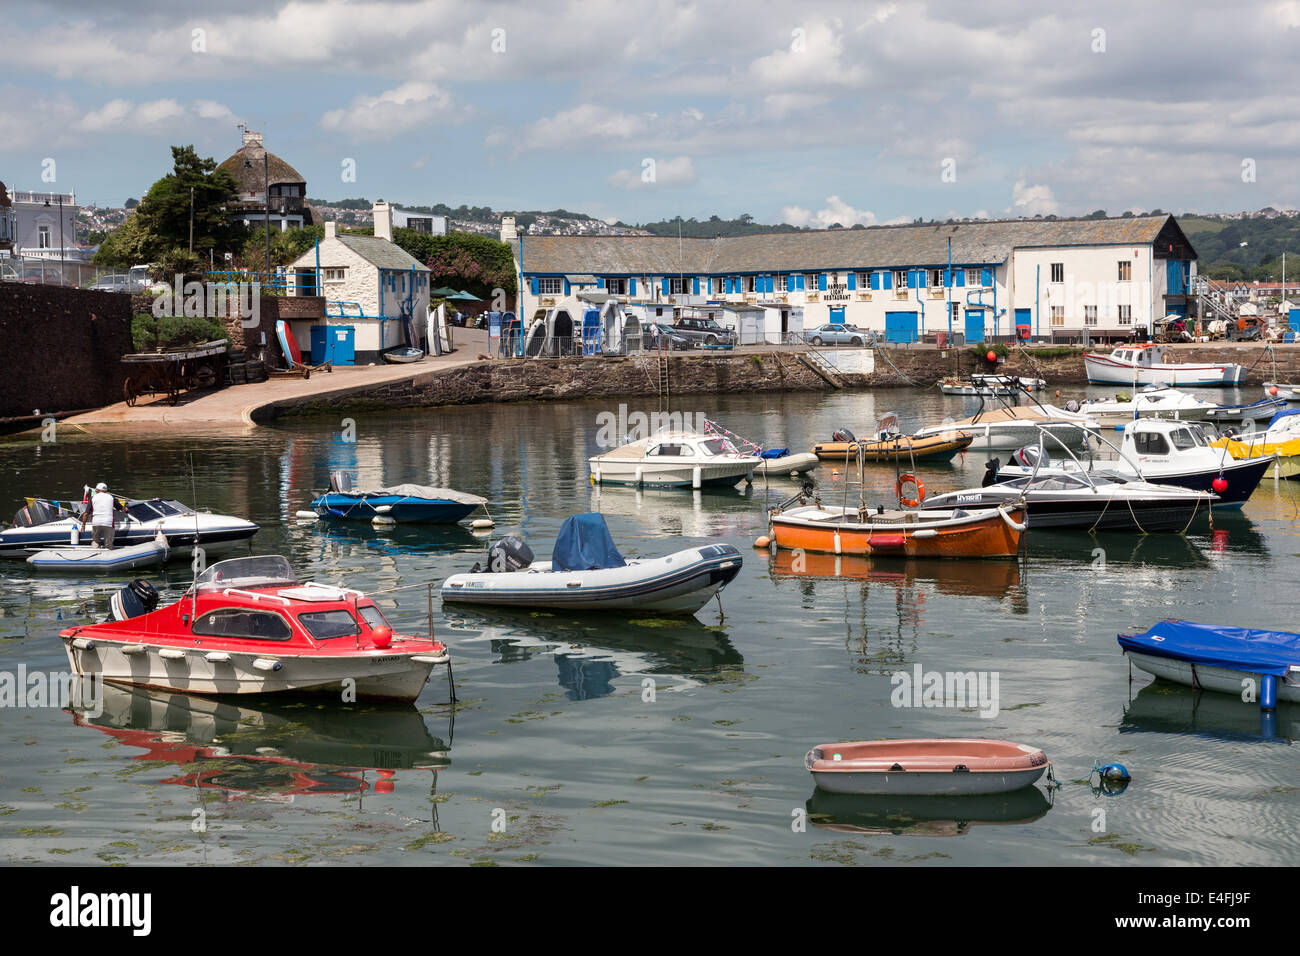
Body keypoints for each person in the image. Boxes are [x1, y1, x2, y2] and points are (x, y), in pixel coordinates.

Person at [81, 482, 118, 550]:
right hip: (108, 523)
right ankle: (108, 553)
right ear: (106, 490)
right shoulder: (112, 497)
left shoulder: (93, 498)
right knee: (108, 544)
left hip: (96, 522)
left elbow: (86, 513)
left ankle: (95, 553)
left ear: (97, 490)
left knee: (95, 542)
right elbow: (121, 508)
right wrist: (126, 510)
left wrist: (83, 526)